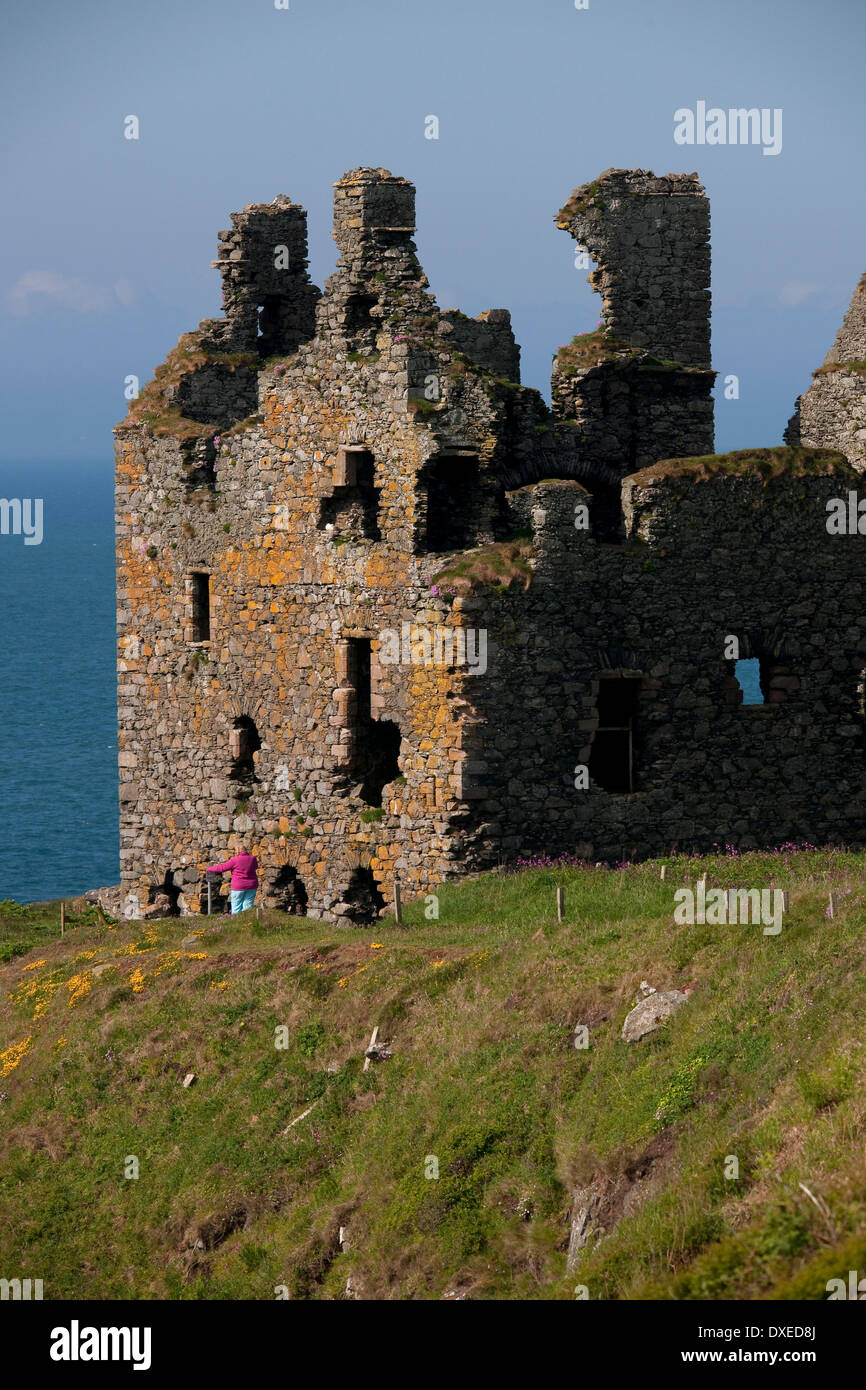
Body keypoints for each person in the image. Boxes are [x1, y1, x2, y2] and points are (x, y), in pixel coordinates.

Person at [207, 845, 259, 914]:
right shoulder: (253, 859)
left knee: (236, 907)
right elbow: (255, 867)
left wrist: (209, 868)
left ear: (238, 851)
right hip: (252, 885)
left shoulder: (234, 860)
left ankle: (236, 922)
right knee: (248, 906)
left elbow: (222, 868)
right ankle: (246, 921)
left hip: (238, 886)